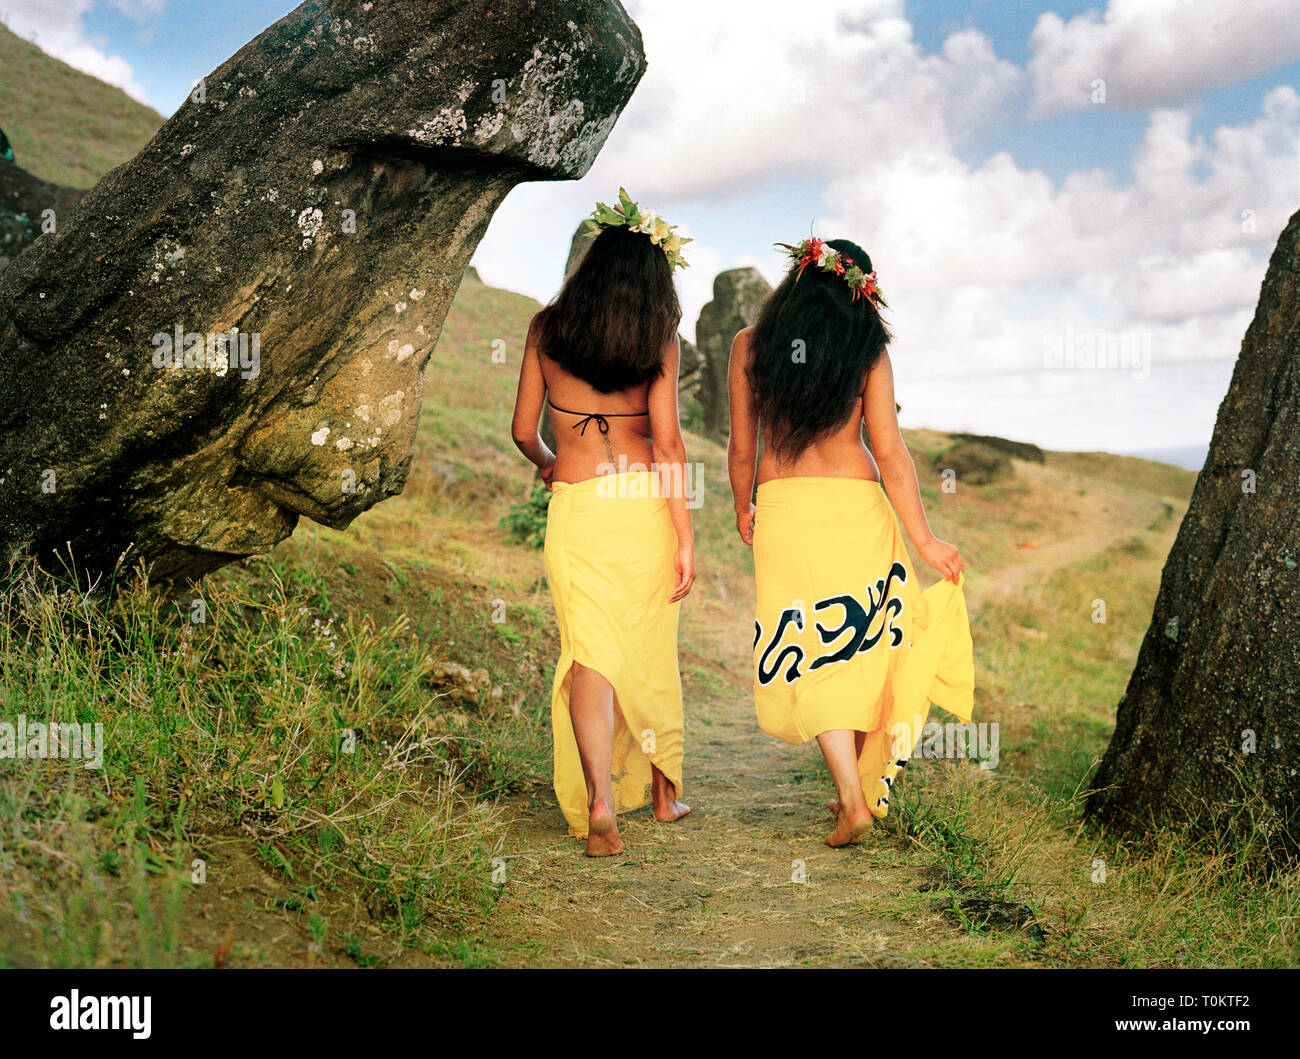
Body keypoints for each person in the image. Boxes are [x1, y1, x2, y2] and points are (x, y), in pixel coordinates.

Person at [727, 236, 975, 847]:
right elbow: (891, 453)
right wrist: (924, 539)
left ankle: (850, 796)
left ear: (797, 278)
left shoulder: (749, 345)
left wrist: (744, 507)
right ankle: (855, 795)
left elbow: (740, 448)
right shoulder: (869, 349)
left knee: (808, 648)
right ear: (862, 289)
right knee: (864, 642)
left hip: (785, 510)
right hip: (857, 508)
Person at [511, 190, 695, 856]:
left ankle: (600, 803)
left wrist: (551, 462)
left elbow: (521, 430)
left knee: (589, 653)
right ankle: (667, 795)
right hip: (642, 507)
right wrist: (684, 536)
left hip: (578, 508)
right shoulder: (659, 340)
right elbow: (670, 445)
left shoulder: (544, 329)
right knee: (646, 649)